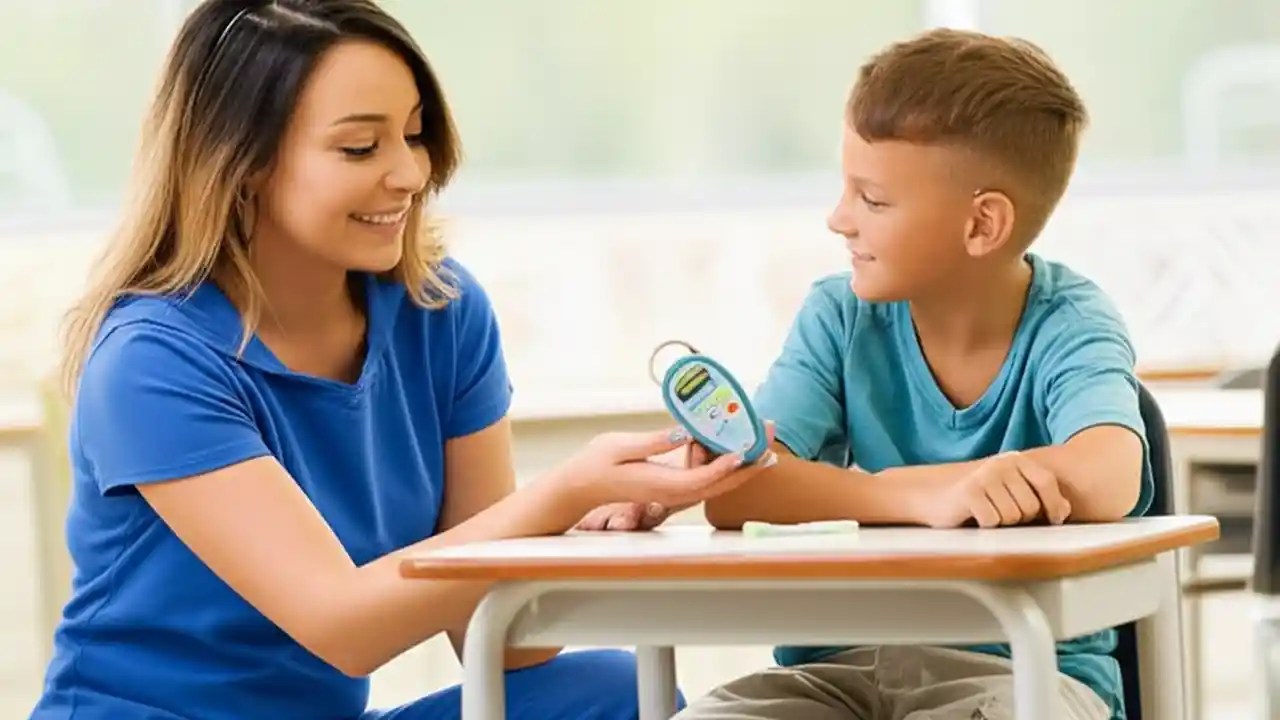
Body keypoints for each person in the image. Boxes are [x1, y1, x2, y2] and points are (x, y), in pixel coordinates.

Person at [28, 2, 774, 718]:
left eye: (414, 136)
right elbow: (345, 627)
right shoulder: (152, 361)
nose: (410, 174)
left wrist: (585, 523)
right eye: (360, 146)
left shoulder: (440, 313)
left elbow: (507, 647)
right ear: (241, 163)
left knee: (619, 694)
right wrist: (560, 496)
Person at [675, 29, 1153, 720]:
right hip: (835, 673)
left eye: (872, 200)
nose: (838, 219)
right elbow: (742, 486)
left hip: (1018, 672)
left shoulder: (1070, 322)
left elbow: (1111, 475)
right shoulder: (837, 315)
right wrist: (924, 494)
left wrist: (856, 493)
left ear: (982, 224)